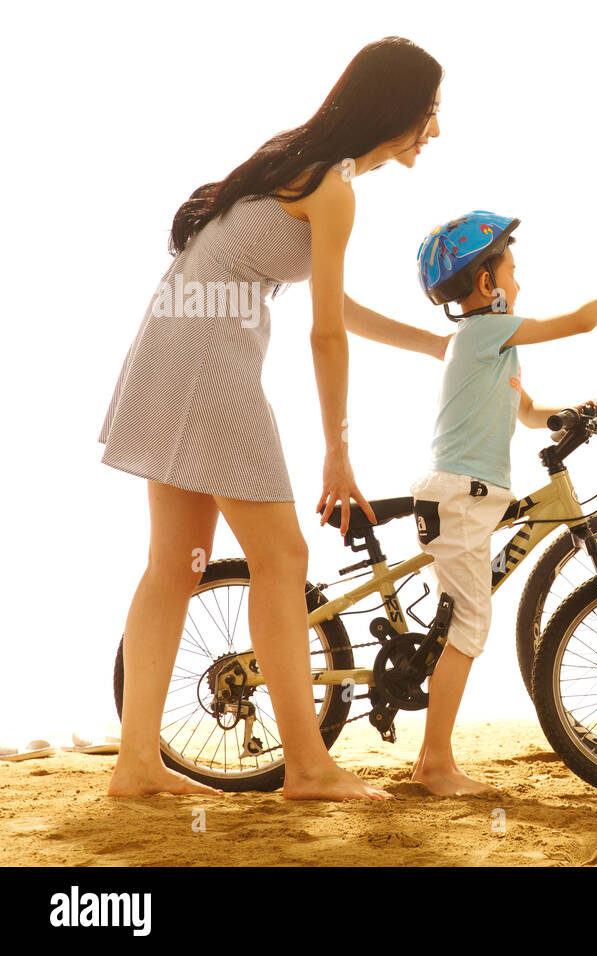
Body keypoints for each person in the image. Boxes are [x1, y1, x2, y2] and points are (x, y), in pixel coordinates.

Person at [98, 37, 448, 800]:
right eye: (431, 113)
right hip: (207, 371)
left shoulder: (305, 169)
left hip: (167, 352)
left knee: (176, 567)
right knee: (283, 558)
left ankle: (135, 769)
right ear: (398, 110)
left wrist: (434, 345)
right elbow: (322, 334)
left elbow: (337, 308)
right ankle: (309, 766)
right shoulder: (333, 185)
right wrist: (338, 452)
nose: (436, 131)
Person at [407, 208, 597, 795]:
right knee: (468, 625)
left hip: (470, 497)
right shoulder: (486, 331)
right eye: (512, 271)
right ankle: (434, 765)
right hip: (463, 498)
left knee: (461, 619)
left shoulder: (490, 346)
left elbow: (526, 413)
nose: (519, 282)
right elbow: (582, 322)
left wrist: (571, 414)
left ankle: (434, 758)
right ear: (488, 285)